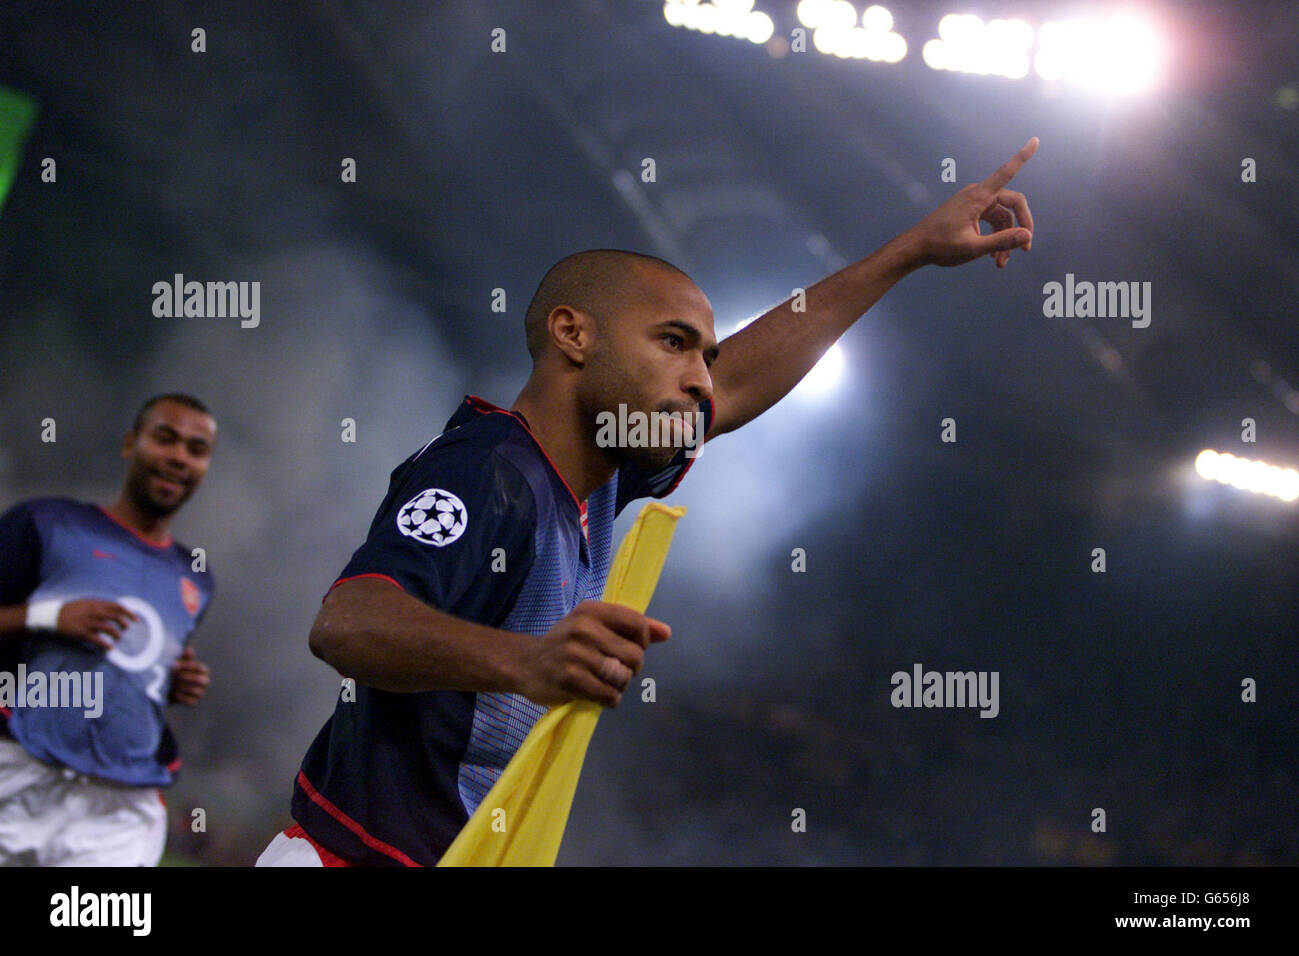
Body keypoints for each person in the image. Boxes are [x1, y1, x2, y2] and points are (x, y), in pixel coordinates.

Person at [258, 139, 1039, 867]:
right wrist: (526, 661)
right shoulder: (489, 471)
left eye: (704, 352)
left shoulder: (601, 481)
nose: (701, 376)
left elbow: (733, 386)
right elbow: (349, 621)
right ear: (573, 334)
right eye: (674, 342)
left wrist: (910, 253)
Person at [0, 394, 216, 866]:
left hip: (118, 807)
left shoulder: (196, 579)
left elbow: (132, 671)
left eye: (196, 449)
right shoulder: (46, 522)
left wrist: (171, 684)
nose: (179, 456)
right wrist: (51, 618)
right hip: (18, 772)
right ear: (129, 444)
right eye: (165, 438)